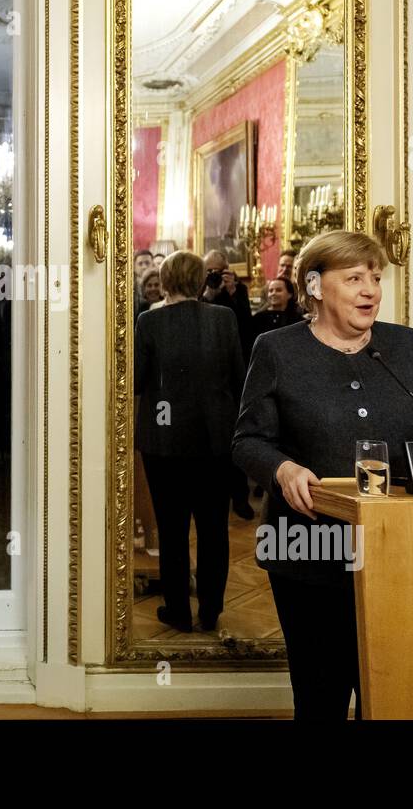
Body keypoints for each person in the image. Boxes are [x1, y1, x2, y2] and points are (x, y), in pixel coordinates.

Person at [232, 230, 413, 719]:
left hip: (401, 549)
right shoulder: (277, 350)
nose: (370, 290)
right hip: (309, 551)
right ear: (314, 286)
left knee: (393, 688)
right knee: (321, 696)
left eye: (375, 278)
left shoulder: (403, 344)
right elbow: (248, 441)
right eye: (354, 278)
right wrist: (282, 468)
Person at [135, 251, 252, 634]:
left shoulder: (149, 322)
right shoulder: (223, 319)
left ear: (165, 280)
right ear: (201, 281)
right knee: (214, 528)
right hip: (216, 438)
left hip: (164, 440)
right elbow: (239, 378)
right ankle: (211, 609)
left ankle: (178, 611)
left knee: (171, 530)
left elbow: (137, 382)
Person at [201, 248, 254, 359]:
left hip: (231, 345)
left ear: (226, 271)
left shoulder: (238, 288)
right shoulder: (200, 287)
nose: (212, 275)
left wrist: (232, 293)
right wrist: (207, 296)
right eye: (208, 271)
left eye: (217, 271)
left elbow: (246, 322)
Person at [249, 277, 304, 344]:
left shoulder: (297, 319)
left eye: (278, 290)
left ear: (289, 295)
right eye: (270, 291)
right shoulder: (258, 318)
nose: (273, 293)